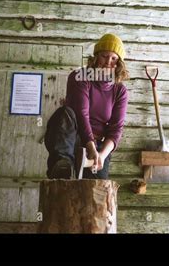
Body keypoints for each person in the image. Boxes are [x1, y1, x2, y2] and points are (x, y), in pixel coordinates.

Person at [45, 33, 129, 179]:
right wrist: (89, 147)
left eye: (114, 58)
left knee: (96, 194)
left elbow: (116, 128)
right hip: (74, 138)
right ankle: (63, 163)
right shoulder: (80, 77)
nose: (108, 61)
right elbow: (82, 114)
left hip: (99, 146)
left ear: (119, 64)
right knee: (64, 113)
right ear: (96, 57)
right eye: (104, 56)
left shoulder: (120, 91)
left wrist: (101, 156)